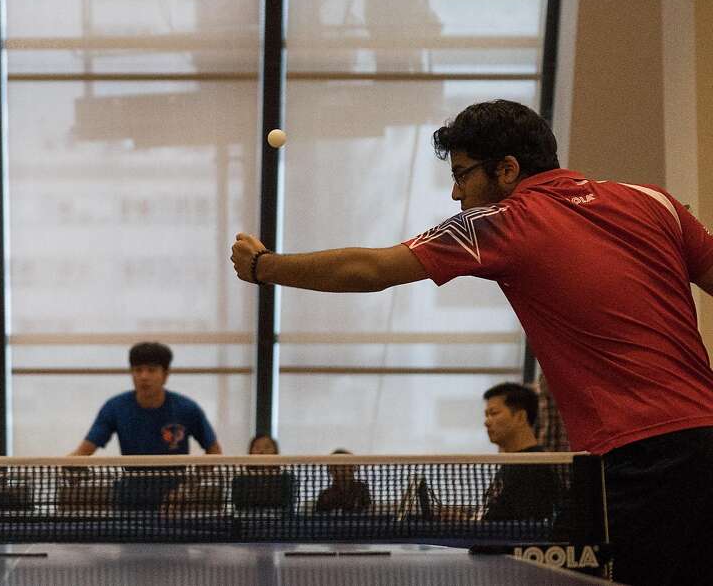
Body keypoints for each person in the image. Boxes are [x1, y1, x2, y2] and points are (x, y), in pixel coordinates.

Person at [231, 99, 713, 586]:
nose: (457, 193)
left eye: (463, 175)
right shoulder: (655, 202)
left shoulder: (502, 221)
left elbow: (371, 270)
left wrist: (263, 266)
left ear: (506, 170)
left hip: (641, 459)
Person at [70, 342, 221, 457]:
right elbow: (82, 453)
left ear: (166, 374)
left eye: (151, 370)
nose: (144, 377)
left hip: (177, 496)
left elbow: (215, 452)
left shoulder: (187, 409)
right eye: (138, 370)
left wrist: (190, 487)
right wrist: (61, 466)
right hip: (130, 495)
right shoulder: (115, 408)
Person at [478, 383, 557, 521]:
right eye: (486, 415)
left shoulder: (534, 467)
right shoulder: (511, 463)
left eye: (494, 413)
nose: (487, 422)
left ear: (521, 416)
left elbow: (527, 527)